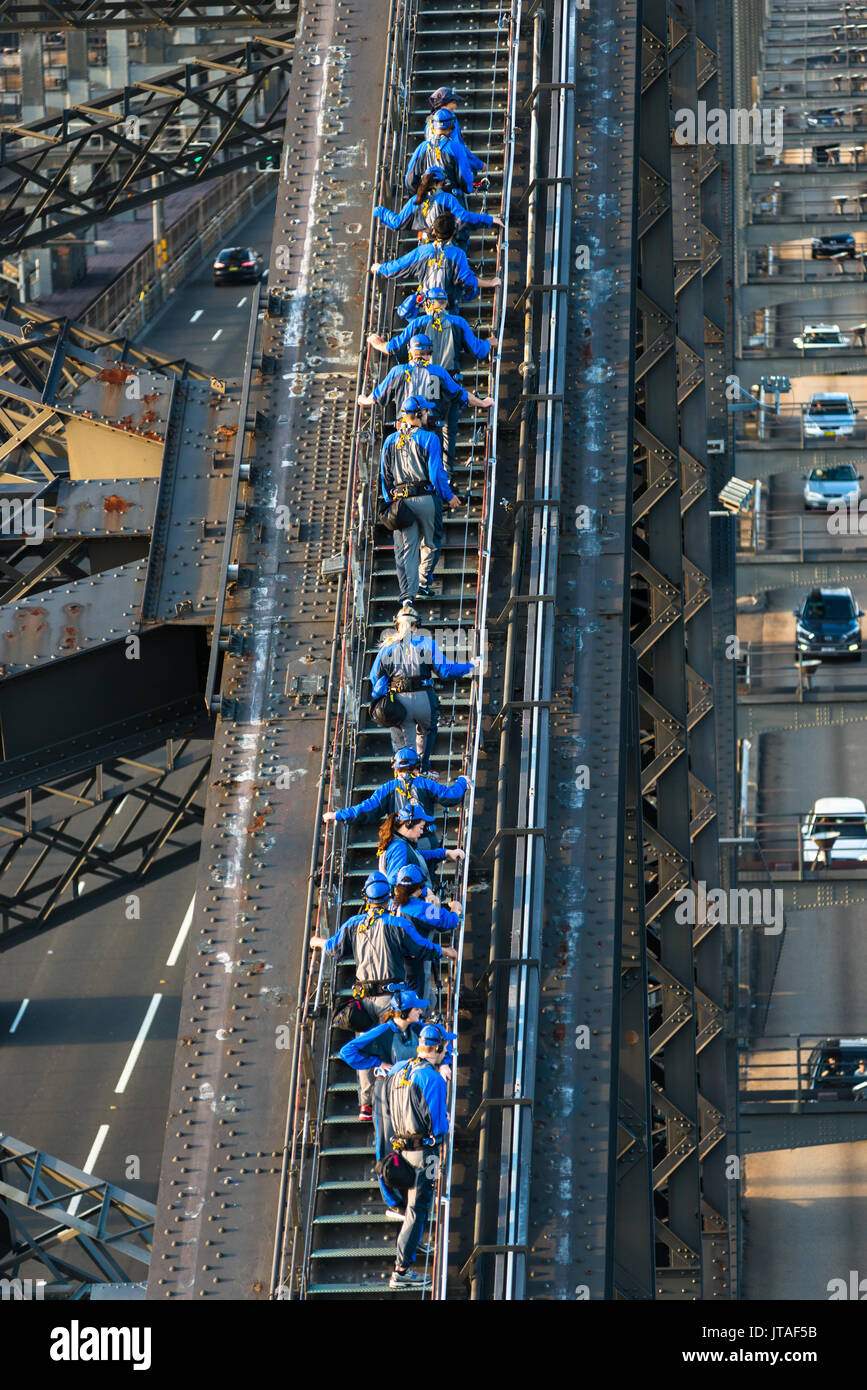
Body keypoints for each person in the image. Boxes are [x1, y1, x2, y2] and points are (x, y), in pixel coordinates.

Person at [309, 871, 456, 1118]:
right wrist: (444, 951)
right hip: (394, 1000)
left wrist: (318, 942)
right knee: (401, 1046)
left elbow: (333, 947)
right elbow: (421, 949)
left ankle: (366, 1105)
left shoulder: (353, 924)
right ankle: (401, 1101)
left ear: (366, 898)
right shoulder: (398, 924)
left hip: (363, 1002)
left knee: (366, 1046)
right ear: (389, 897)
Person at [383, 1022, 456, 1289]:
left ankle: (412, 1245)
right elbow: (439, 1127)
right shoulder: (434, 1080)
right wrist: (447, 1121)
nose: (447, 1048)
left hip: (399, 1151)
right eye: (445, 1046)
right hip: (425, 1155)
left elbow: (388, 1111)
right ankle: (401, 1270)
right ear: (436, 1049)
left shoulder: (399, 1069)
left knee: (412, 1209)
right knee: (418, 1209)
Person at [369, 602, 479, 765]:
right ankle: (423, 768)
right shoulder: (427, 644)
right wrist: (470, 665)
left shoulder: (387, 648)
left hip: (398, 702)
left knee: (401, 738)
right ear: (416, 624)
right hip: (424, 700)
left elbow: (376, 680)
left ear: (397, 624)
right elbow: (446, 671)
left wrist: (379, 697)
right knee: (428, 732)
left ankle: (404, 771)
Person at [360, 332, 493, 466]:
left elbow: (377, 396)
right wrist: (483, 403)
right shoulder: (439, 372)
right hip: (432, 432)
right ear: (429, 353)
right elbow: (462, 395)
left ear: (410, 351)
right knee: (433, 469)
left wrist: (363, 400)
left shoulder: (397, 372)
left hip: (404, 433)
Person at [378, 398, 460, 602]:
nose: (428, 416)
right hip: (426, 499)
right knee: (432, 542)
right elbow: (436, 474)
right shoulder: (430, 439)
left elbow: (385, 476)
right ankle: (424, 582)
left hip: (401, 503)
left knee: (408, 550)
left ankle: (408, 596)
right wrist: (449, 497)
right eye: (426, 412)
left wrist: (391, 502)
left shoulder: (389, 441)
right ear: (420, 413)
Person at [322, 744, 469, 852]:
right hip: (425, 841)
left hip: (399, 844)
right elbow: (452, 796)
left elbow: (366, 809)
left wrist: (338, 814)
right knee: (426, 882)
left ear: (396, 768)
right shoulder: (426, 784)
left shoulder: (388, 788)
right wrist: (462, 781)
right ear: (416, 766)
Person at [372, 211, 500, 320]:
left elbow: (397, 266)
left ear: (434, 231)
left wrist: (379, 268)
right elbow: (468, 281)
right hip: (447, 310)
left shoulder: (422, 251)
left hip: (426, 309)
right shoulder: (458, 254)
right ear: (453, 233)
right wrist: (490, 283)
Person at [338, 985, 430, 1127]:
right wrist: (377, 1062)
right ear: (404, 1013)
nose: (421, 1011)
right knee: (387, 1139)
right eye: (416, 1008)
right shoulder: (383, 1031)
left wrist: (443, 1065)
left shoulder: (418, 1028)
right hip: (389, 1094)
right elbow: (347, 1052)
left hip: (412, 1092)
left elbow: (440, 1042)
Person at [374, 166, 503, 251]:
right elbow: (464, 217)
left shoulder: (415, 200)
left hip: (427, 245)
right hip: (446, 243)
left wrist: (378, 212)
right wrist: (490, 219)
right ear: (438, 183)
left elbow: (397, 222)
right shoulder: (447, 199)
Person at [392, 862, 462, 996]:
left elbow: (412, 888)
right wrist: (455, 908)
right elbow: (449, 921)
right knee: (418, 1000)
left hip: (395, 963)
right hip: (415, 963)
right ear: (417, 888)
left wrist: (426, 892)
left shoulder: (393, 904)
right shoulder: (423, 909)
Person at [377, 804, 465, 890]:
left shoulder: (403, 844)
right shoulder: (400, 848)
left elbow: (419, 855)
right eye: (421, 827)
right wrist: (425, 893)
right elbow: (396, 884)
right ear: (409, 825)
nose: (422, 832)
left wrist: (447, 852)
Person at [405, 108, 475, 200]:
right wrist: (468, 188)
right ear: (451, 125)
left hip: (426, 203)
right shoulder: (456, 148)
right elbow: (464, 179)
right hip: (450, 202)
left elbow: (409, 180)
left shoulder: (422, 148)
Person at [424, 87, 486, 186]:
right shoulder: (451, 122)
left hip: (432, 178)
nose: (455, 106)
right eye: (453, 102)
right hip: (450, 179)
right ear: (444, 104)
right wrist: (479, 164)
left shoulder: (429, 124)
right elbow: (458, 149)